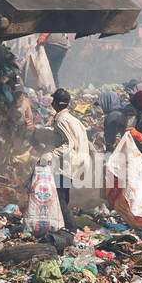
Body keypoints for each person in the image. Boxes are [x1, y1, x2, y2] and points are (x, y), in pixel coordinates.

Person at [50, 88, 90, 230]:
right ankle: (64, 227)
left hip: (67, 164)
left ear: (55, 103)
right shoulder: (74, 120)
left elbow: (69, 143)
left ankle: (71, 229)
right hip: (76, 163)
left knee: (60, 198)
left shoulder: (61, 119)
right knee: (64, 196)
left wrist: (51, 155)